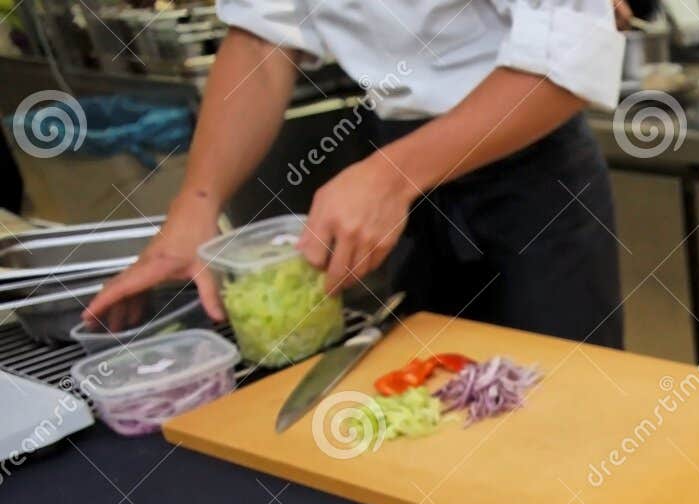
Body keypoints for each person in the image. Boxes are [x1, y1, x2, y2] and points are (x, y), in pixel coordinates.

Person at [86, 0, 629, 347]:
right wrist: (197, 204)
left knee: (568, 434)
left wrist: (390, 178)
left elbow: (566, 62)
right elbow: (260, 36)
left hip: (531, 176)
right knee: (436, 414)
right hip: (405, 177)